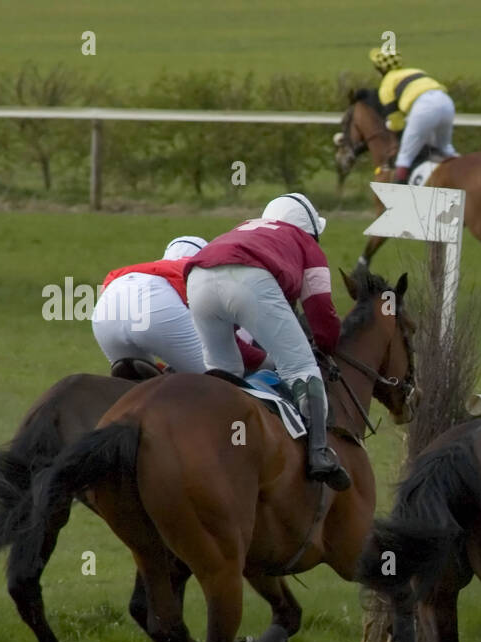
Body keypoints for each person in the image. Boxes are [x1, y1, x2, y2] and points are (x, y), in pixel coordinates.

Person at [184, 193, 350, 491]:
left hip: (197, 279)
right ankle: (319, 455)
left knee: (223, 371)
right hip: (248, 278)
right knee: (302, 367)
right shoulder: (304, 242)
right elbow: (321, 310)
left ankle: (208, 442)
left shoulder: (245, 228)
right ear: (310, 228)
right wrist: (325, 347)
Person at [92, 236, 267, 378]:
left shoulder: (153, 268)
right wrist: (265, 362)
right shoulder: (204, 271)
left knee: (133, 388)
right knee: (222, 382)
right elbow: (224, 339)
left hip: (106, 308)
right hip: (155, 302)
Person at [368, 48, 457, 184]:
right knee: (445, 148)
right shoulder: (416, 71)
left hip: (423, 107)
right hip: (446, 102)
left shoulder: (386, 85)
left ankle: (399, 189)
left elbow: (396, 122)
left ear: (379, 69)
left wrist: (393, 127)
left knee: (405, 156)